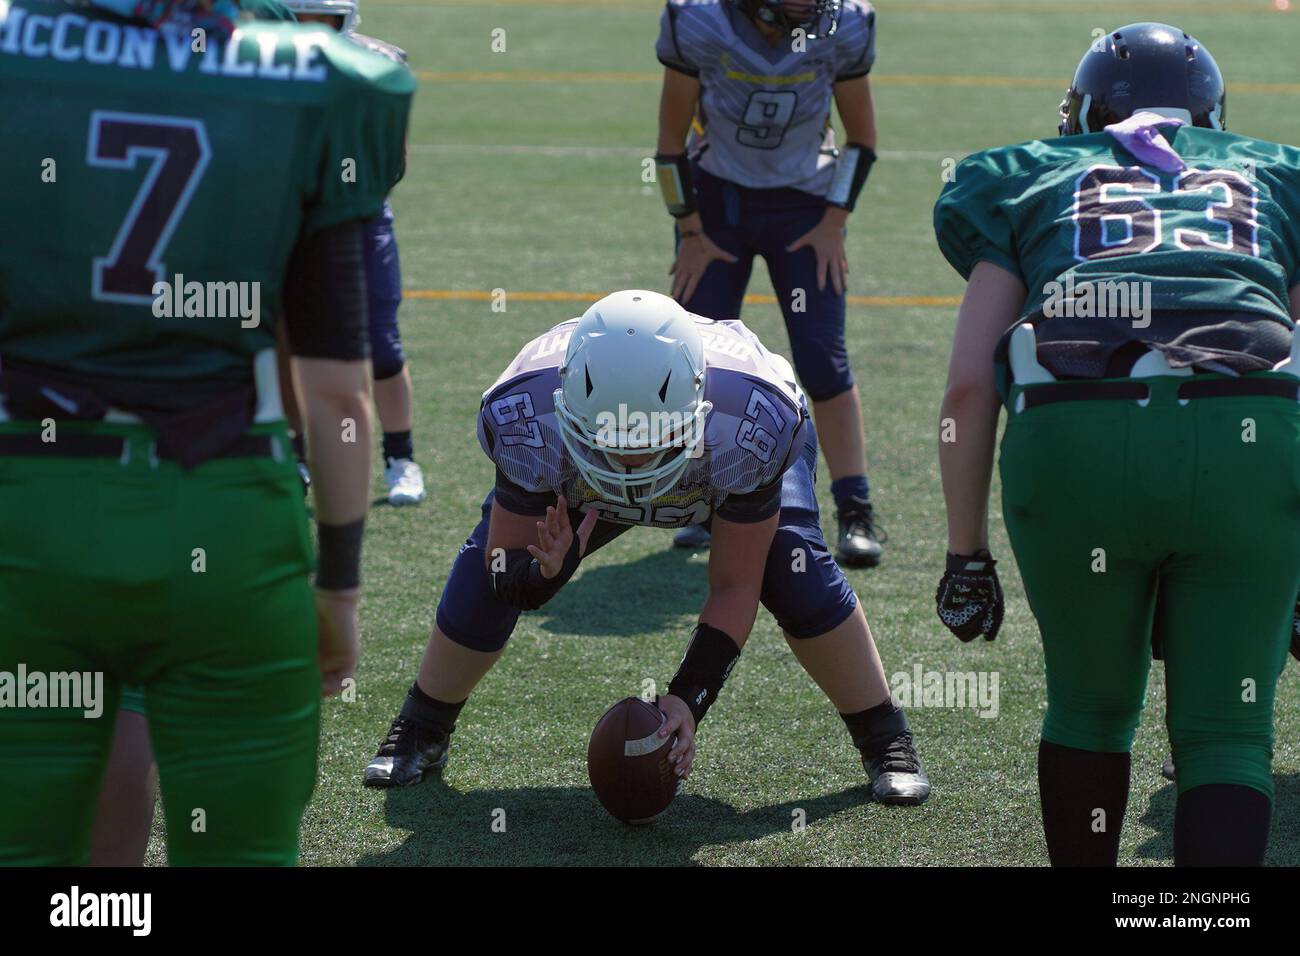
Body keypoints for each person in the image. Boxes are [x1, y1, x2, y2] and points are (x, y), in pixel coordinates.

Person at [0, 0, 414, 865]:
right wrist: (337, 589)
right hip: (227, 517)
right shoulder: (305, 80)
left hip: (30, 515)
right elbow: (338, 395)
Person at [933, 22, 1300, 866]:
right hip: (1248, 426)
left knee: (1089, 709)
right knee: (1230, 733)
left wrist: (965, 556)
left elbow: (964, 388)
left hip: (1077, 431)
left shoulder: (1022, 176)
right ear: (1211, 115)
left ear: (1087, 112)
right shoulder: (1273, 173)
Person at [363, 290, 930, 805]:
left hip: (710, 463)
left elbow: (735, 586)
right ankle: (423, 725)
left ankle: (884, 735)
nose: (628, 468)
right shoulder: (525, 411)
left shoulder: (750, 422)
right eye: (609, 444)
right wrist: (546, 572)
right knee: (487, 562)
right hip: (591, 475)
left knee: (791, 565)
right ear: (567, 403)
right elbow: (503, 570)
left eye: (646, 441)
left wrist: (687, 699)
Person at [653, 0, 885, 566]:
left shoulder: (846, 22)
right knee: (696, 359)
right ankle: (704, 500)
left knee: (823, 360)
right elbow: (668, 144)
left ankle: (855, 506)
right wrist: (689, 230)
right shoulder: (700, 21)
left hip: (805, 208)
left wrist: (834, 222)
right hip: (718, 208)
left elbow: (863, 139)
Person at [281, 0, 426, 507]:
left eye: (319, 19)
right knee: (284, 346)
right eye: (299, 18)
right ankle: (295, 454)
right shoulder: (257, 60)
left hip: (355, 219)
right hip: (281, 222)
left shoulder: (377, 65)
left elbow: (393, 162)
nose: (308, 31)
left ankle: (400, 457)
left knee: (382, 348)